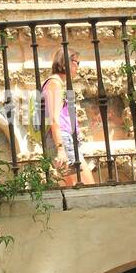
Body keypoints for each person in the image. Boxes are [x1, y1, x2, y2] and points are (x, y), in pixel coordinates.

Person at [41, 48, 95, 187]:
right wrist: (60, 149)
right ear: (65, 63)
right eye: (77, 62)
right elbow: (53, 118)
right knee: (86, 186)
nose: (78, 66)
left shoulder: (57, 83)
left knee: (75, 188)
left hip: (65, 139)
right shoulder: (54, 83)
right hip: (62, 140)